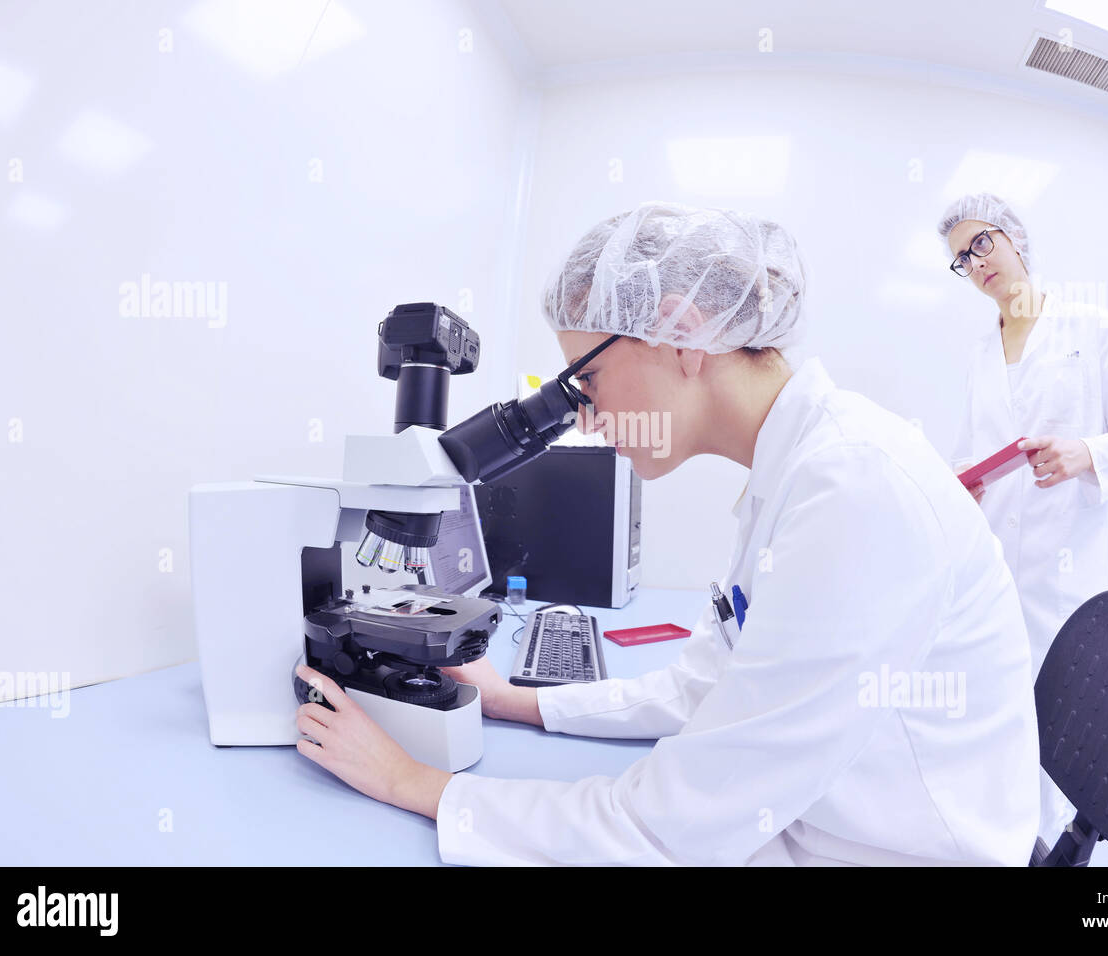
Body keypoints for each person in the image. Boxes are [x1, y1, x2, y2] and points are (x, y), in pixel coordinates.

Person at [294, 200, 1041, 865]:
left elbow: (667, 829)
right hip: (820, 817)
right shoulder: (798, 471)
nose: (582, 413)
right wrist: (518, 701)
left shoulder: (854, 493)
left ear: (683, 335)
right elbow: (705, 691)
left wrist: (417, 786)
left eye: (584, 380)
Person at [938, 193, 1108, 849]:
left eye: (982, 243)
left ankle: (1058, 840)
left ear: (1015, 240)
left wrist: (1085, 451)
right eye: (959, 260)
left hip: (1065, 566)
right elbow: (968, 450)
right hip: (996, 564)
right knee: (1005, 709)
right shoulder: (980, 352)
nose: (975, 264)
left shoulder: (1089, 325)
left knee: (1063, 709)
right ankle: (1019, 842)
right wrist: (961, 487)